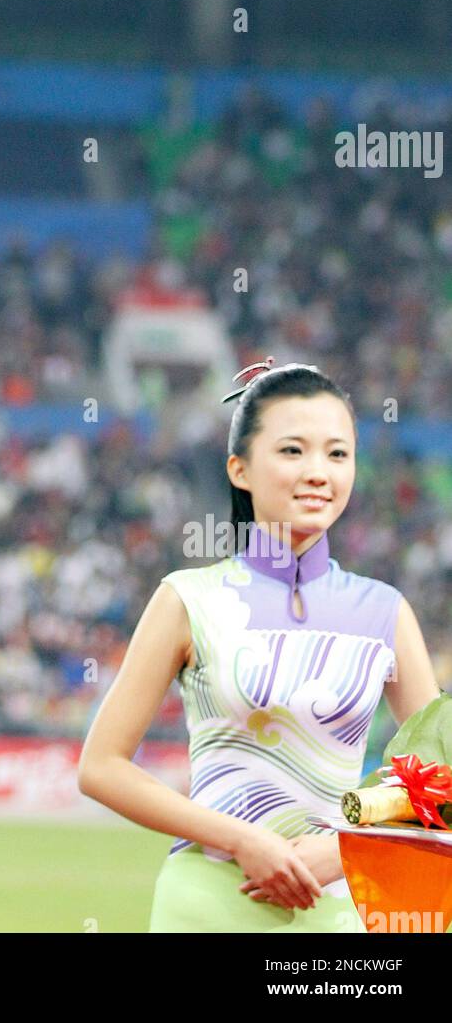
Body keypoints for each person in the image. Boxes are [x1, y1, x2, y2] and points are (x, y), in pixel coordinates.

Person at [78, 359, 442, 932]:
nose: (318, 472)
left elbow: (441, 782)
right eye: (293, 451)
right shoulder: (187, 599)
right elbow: (100, 767)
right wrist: (242, 838)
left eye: (337, 453)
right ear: (240, 469)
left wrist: (351, 847)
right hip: (205, 903)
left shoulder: (386, 612)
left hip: (340, 909)